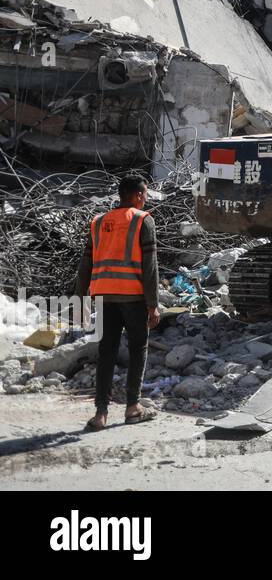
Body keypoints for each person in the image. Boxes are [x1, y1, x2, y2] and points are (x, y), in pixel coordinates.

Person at [75, 173, 161, 431]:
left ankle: (100, 414)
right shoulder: (143, 220)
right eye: (145, 195)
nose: (146, 199)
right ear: (137, 196)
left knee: (107, 353)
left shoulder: (98, 222)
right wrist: (153, 303)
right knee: (138, 348)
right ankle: (133, 407)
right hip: (133, 297)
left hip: (103, 296)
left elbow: (86, 263)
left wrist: (80, 298)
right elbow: (150, 267)